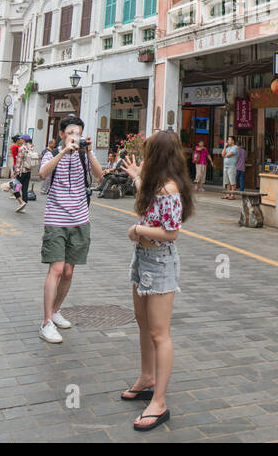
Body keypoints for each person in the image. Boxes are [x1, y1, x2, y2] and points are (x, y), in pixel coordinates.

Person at [116, 130, 192, 432]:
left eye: (148, 152)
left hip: (160, 263)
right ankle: (147, 378)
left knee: (160, 333)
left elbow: (171, 232)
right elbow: (152, 211)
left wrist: (138, 230)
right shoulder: (155, 184)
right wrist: (136, 177)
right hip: (143, 259)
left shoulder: (170, 188)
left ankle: (158, 402)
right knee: (143, 324)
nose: (144, 157)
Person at [36, 115, 104, 344]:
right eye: (71, 133)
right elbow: (43, 174)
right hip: (56, 219)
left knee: (68, 271)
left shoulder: (84, 155)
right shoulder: (52, 153)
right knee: (56, 269)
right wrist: (64, 151)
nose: (75, 137)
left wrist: (88, 152)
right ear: (62, 134)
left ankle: (55, 310)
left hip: (80, 219)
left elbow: (100, 175)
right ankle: (46, 322)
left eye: (79, 133)